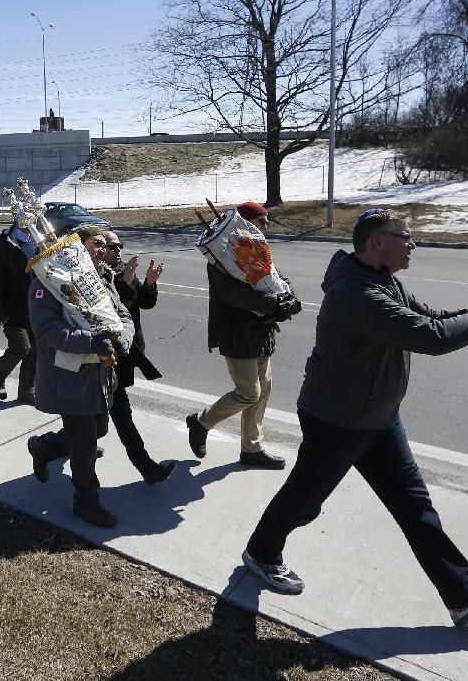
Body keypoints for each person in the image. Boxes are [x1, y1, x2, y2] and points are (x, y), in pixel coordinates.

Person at [241, 208, 468, 630]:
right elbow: (432, 338)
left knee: (416, 508)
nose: (413, 243)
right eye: (405, 236)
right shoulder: (357, 294)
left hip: (379, 419)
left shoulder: (384, 281)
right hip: (337, 420)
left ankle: (464, 597)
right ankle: (261, 553)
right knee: (304, 500)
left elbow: (433, 320)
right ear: (377, 241)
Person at [185, 201, 300, 470]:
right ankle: (201, 422)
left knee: (262, 392)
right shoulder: (221, 256)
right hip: (237, 334)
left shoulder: (255, 248)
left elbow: (274, 277)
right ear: (245, 224)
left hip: (262, 331)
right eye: (261, 222)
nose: (265, 227)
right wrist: (274, 304)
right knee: (248, 393)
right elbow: (234, 295)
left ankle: (252, 448)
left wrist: (289, 296)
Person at [26, 268, 135, 528]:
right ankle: (86, 501)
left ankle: (45, 447)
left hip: (100, 376)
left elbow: (122, 315)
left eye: (112, 247)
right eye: (99, 246)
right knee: (85, 444)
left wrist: (124, 338)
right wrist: (90, 342)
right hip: (70, 380)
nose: (107, 250)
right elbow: (46, 329)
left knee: (99, 430)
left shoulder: (99, 278)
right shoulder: (47, 282)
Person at [101, 230, 176, 485]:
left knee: (105, 414)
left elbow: (143, 303)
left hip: (125, 351)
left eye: (119, 245)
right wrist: (125, 282)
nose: (118, 250)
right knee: (115, 414)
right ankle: (147, 468)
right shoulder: (94, 277)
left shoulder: (123, 270)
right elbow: (109, 311)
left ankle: (52, 446)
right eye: (112, 246)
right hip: (106, 354)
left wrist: (149, 284)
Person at [0, 213, 37, 403]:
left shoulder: (38, 241)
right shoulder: (3, 245)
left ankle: (26, 390)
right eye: (28, 216)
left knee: (35, 350)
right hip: (12, 309)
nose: (32, 221)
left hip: (35, 307)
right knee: (22, 347)